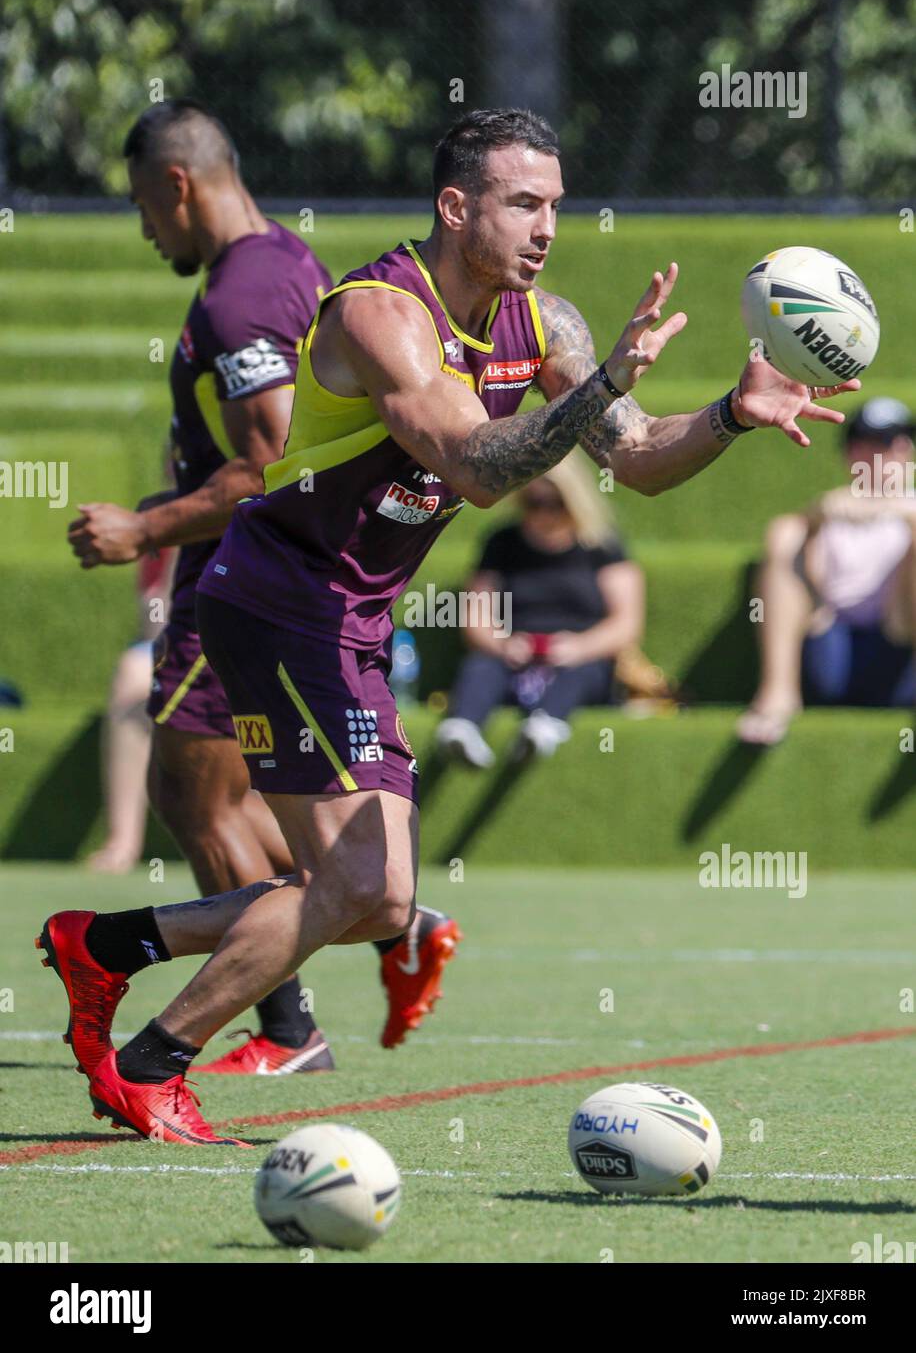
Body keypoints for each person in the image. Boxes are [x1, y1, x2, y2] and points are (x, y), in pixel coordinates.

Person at [41, 107, 859, 1145]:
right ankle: (150, 1065)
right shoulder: (380, 314)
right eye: (523, 203)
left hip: (352, 622)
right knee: (353, 881)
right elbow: (472, 468)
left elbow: (642, 458)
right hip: (278, 603)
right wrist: (602, 381)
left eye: (555, 204)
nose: (546, 226)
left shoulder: (544, 322)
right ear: (455, 205)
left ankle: (105, 945)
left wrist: (731, 414)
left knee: (379, 905)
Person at [63, 100, 459, 1075]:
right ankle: (385, 930)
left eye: (142, 208)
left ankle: (295, 1025)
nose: (147, 230)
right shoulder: (284, 261)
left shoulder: (239, 299)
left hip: (252, 577)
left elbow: (277, 461)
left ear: (178, 185)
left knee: (198, 800)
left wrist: (144, 526)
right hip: (291, 576)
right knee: (233, 806)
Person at [437, 450, 644, 765]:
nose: (544, 514)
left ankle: (545, 726)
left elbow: (626, 623)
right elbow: (476, 618)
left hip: (580, 659)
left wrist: (578, 647)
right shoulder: (501, 543)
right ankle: (463, 726)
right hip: (514, 659)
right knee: (481, 667)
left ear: (573, 500)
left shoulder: (603, 546)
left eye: (555, 504)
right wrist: (503, 645)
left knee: (585, 672)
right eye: (534, 503)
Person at [738, 397, 916, 745]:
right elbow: (798, 562)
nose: (886, 454)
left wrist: (899, 512)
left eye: (895, 442)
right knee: (785, 534)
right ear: (851, 452)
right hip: (830, 653)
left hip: (901, 651)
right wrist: (817, 516)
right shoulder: (831, 508)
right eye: (872, 443)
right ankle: (777, 693)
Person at [88, 544, 176, 874]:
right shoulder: (162, 525)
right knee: (133, 671)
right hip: (178, 645)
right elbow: (156, 624)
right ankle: (122, 841)